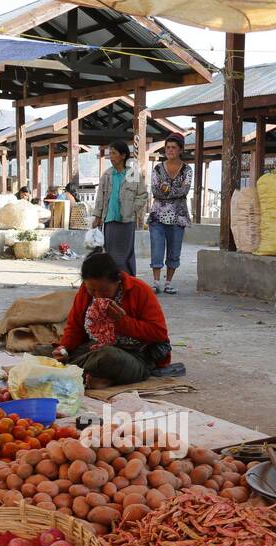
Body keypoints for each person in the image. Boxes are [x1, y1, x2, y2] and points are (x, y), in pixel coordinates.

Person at [53, 251, 171, 388]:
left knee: (108, 356)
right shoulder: (85, 291)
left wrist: (123, 321)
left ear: (117, 281)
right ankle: (91, 375)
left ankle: (63, 371)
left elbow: (159, 333)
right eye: (92, 291)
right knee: (43, 351)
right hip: (93, 348)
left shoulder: (140, 290)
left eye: (103, 291)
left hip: (135, 356)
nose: (97, 297)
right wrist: (64, 348)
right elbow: (75, 326)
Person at [91, 140, 147, 276]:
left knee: (125, 253)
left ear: (123, 155)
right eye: (109, 153)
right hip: (109, 219)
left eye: (114, 153)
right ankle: (114, 279)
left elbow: (142, 195)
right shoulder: (107, 175)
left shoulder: (132, 174)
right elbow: (100, 198)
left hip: (126, 220)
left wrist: (132, 209)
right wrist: (97, 217)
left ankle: (127, 279)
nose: (111, 156)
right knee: (110, 253)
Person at [148, 133, 192, 295]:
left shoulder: (187, 169)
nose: (170, 150)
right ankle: (155, 282)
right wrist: (172, 191)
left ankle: (168, 283)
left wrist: (165, 189)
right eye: (168, 147)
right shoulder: (158, 168)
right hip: (157, 216)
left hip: (178, 217)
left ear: (180, 149)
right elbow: (155, 190)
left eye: (174, 147)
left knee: (174, 251)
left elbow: (185, 190)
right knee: (157, 249)